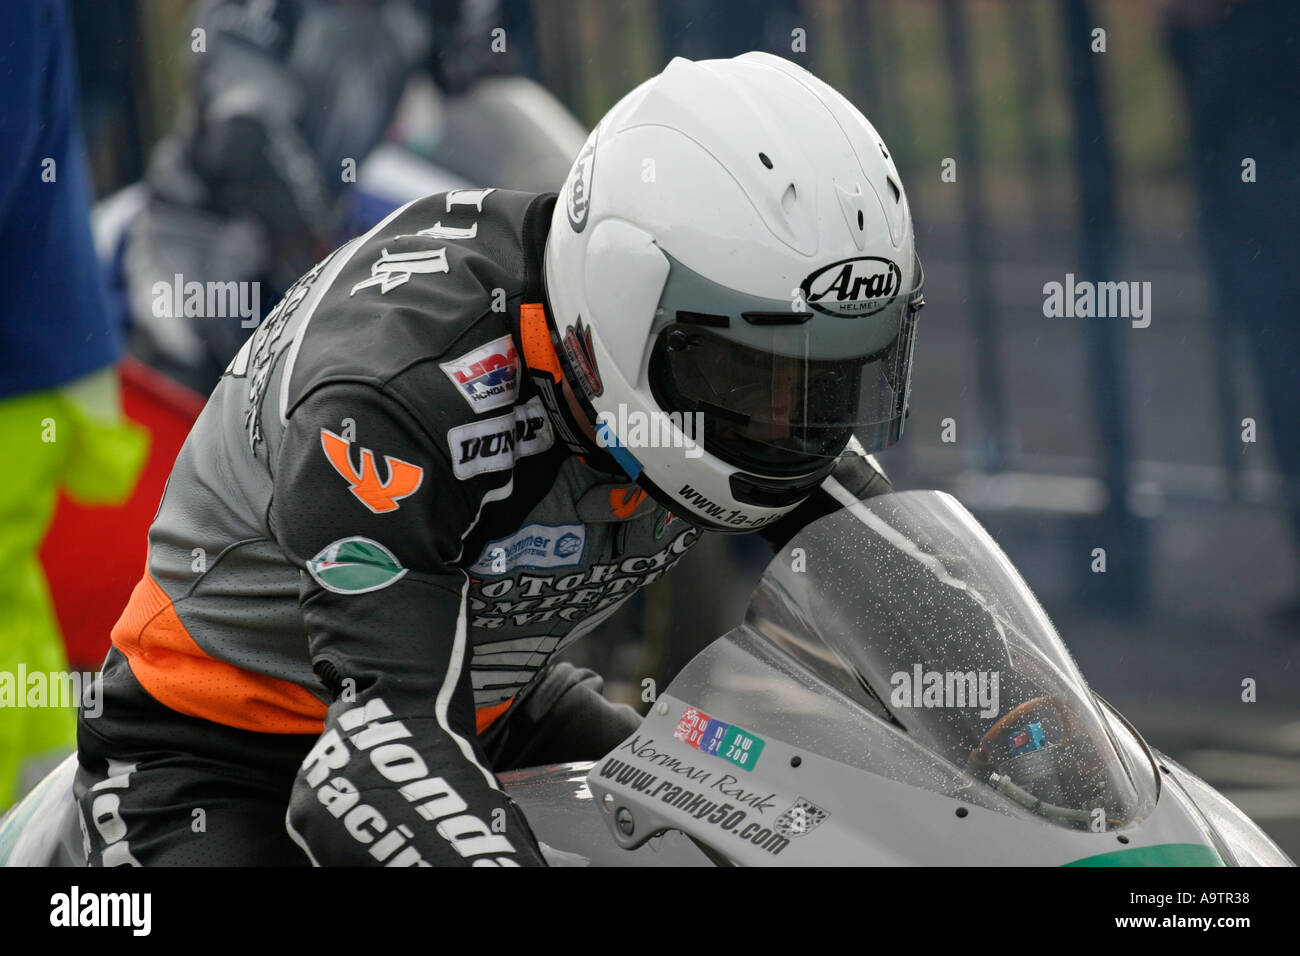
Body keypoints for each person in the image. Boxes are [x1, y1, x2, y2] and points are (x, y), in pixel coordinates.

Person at [73, 52, 924, 866]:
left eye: (824, 382)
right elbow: (364, 767)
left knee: (785, 841)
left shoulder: (705, 359)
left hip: (490, 705)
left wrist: (1028, 746)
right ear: (628, 313)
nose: (790, 422)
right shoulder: (397, 396)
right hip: (219, 754)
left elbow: (904, 585)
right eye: (753, 374)